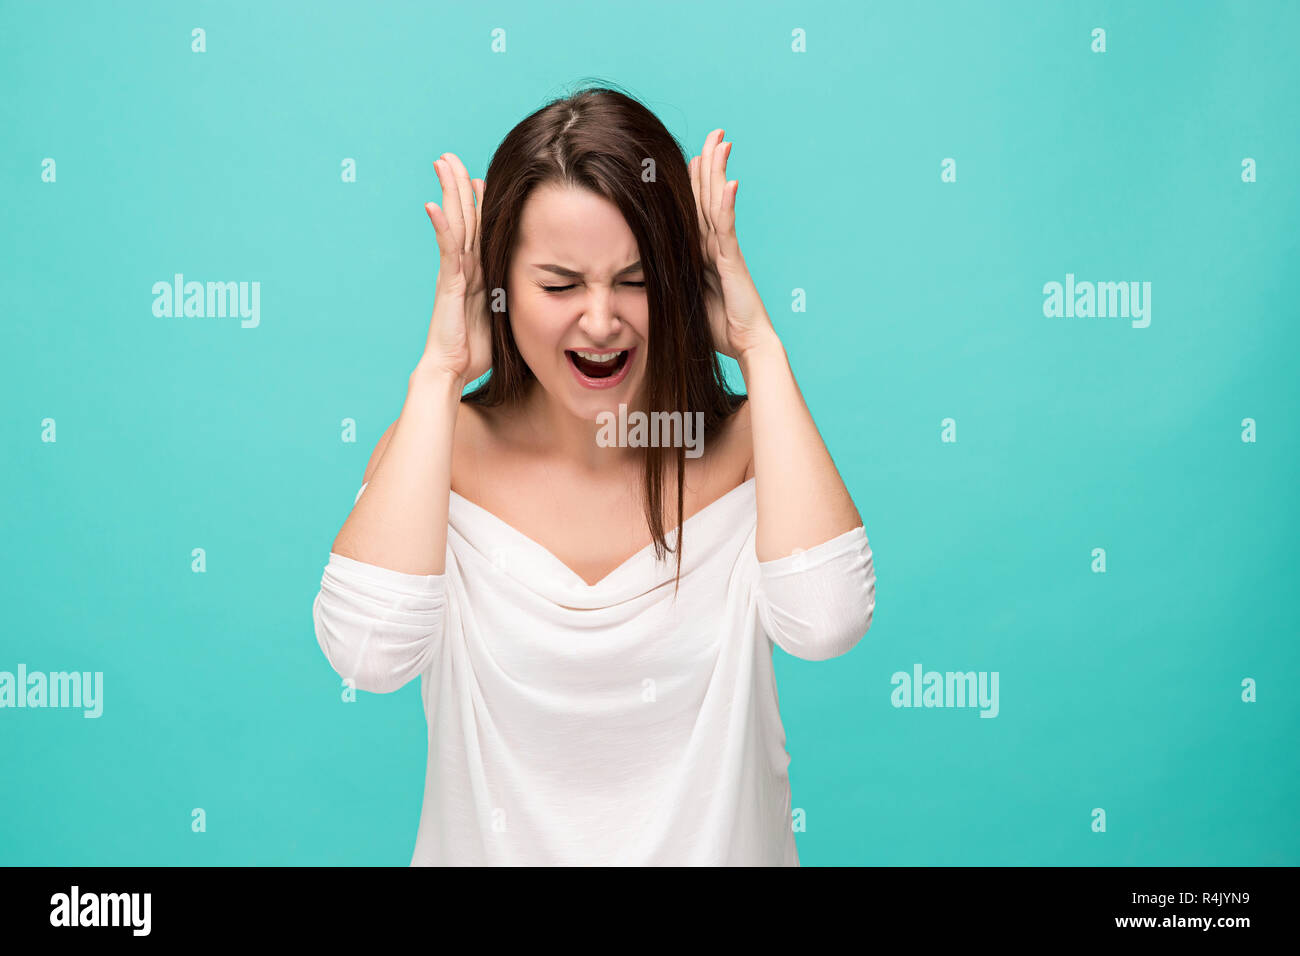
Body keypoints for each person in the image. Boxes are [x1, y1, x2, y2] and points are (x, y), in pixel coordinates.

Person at [312, 84, 876, 866]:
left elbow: (828, 621)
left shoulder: (751, 445)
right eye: (560, 285)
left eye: (637, 279)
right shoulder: (440, 451)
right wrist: (440, 371)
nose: (603, 320)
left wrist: (760, 346)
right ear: (498, 291)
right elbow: (368, 655)